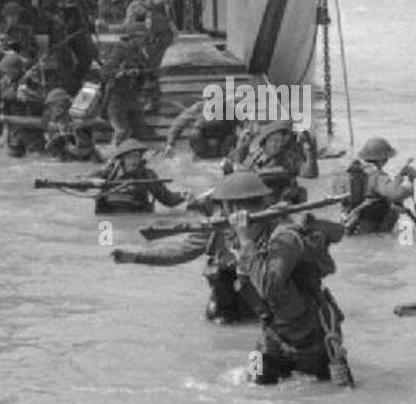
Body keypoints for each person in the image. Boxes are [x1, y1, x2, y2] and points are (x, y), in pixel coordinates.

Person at [229, 171, 351, 385]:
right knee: (250, 380)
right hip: (272, 336)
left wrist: (245, 241)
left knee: (340, 388)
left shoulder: (285, 236)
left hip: (312, 338)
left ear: (235, 209)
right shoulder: (251, 235)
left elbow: (269, 286)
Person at [111, 202, 256, 323]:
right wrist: (135, 257)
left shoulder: (271, 222)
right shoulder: (216, 224)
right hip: (228, 287)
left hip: (260, 283)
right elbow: (181, 252)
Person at [340, 137, 416, 234]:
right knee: (406, 228)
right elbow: (395, 194)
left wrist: (400, 176)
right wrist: (408, 187)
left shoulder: (352, 174)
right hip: (373, 229)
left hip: (352, 225)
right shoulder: (376, 176)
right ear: (383, 159)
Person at [93, 140, 189, 214]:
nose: (133, 160)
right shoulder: (108, 173)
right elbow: (80, 182)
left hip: (135, 215)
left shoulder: (148, 175)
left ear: (140, 158)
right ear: (122, 159)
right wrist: (93, 181)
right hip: (109, 217)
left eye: (136, 156)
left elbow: (168, 199)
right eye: (129, 157)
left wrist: (182, 196)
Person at [163, 98, 242, 160]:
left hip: (223, 146)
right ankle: (200, 156)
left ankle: (225, 156)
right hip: (202, 146)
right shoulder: (198, 108)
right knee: (194, 133)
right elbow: (179, 122)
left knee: (232, 136)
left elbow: (246, 124)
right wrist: (170, 144)